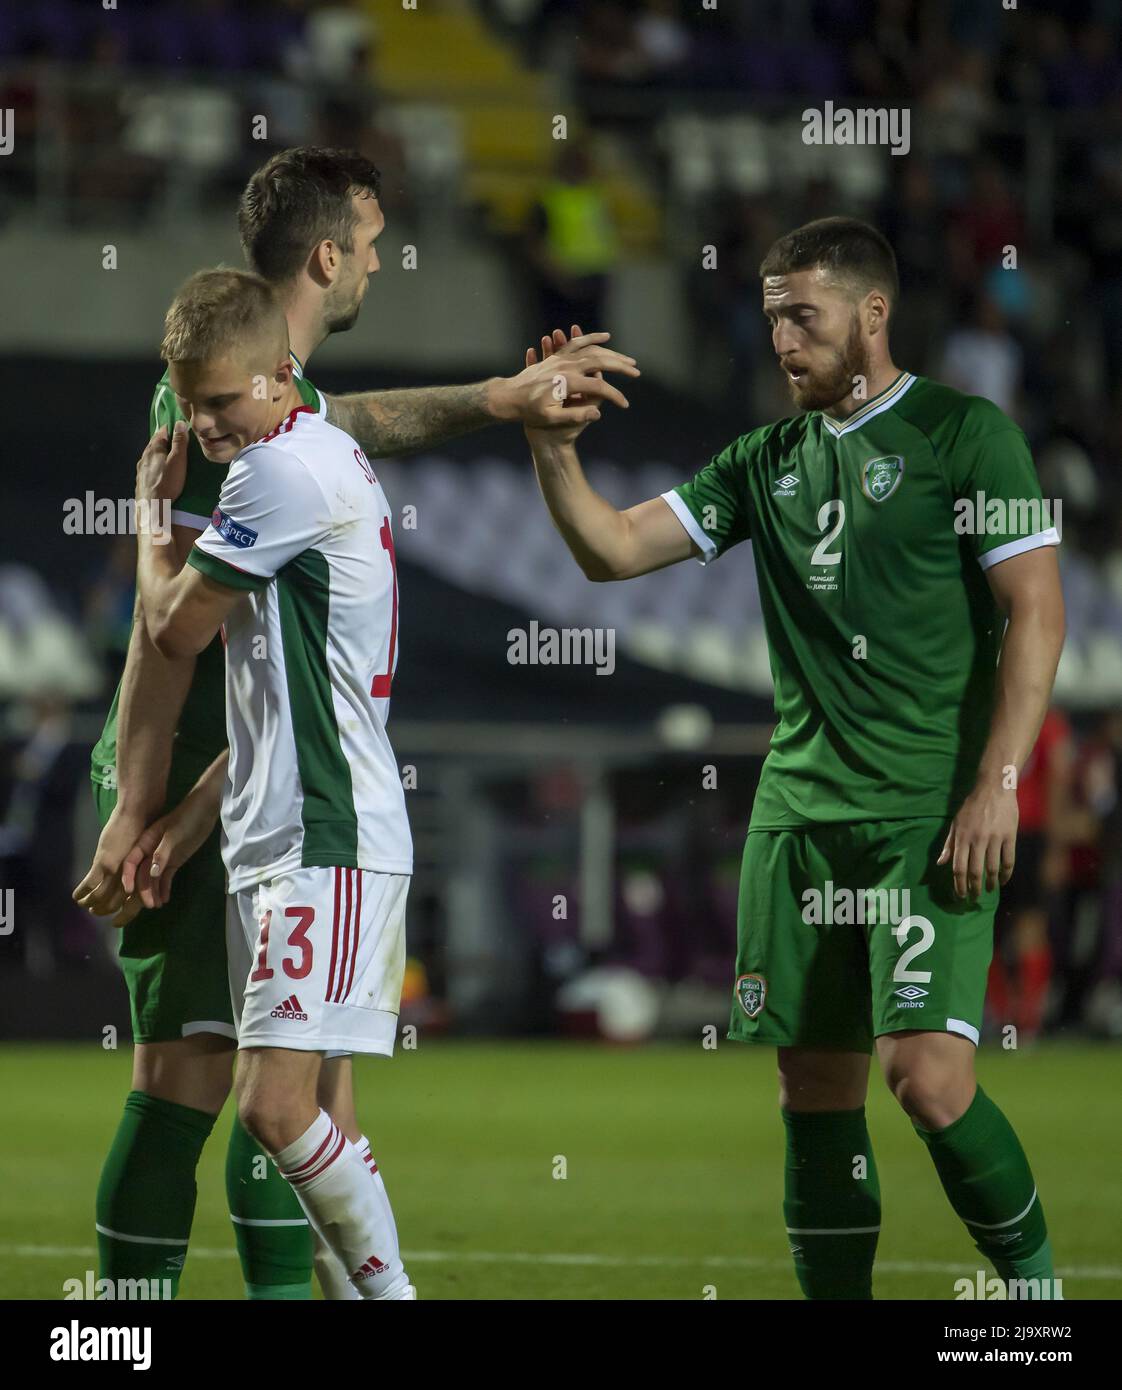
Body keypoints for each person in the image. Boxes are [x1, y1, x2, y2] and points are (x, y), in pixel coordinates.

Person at [73, 144, 637, 1300]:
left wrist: (496, 396)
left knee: (304, 1099)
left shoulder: (280, 421)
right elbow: (163, 633)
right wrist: (143, 810)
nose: (378, 262)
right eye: (373, 245)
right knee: (195, 1076)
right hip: (205, 769)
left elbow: (362, 420)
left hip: (274, 785)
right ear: (329, 255)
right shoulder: (228, 408)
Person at [523, 216, 1065, 1300]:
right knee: (813, 1087)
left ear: (873, 313)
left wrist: (998, 783)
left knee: (927, 1080)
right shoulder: (764, 459)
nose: (782, 339)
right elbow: (615, 550)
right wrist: (553, 448)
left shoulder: (969, 437)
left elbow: (1038, 613)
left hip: (924, 817)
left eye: (803, 316)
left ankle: (1035, 1293)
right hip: (797, 823)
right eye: (771, 317)